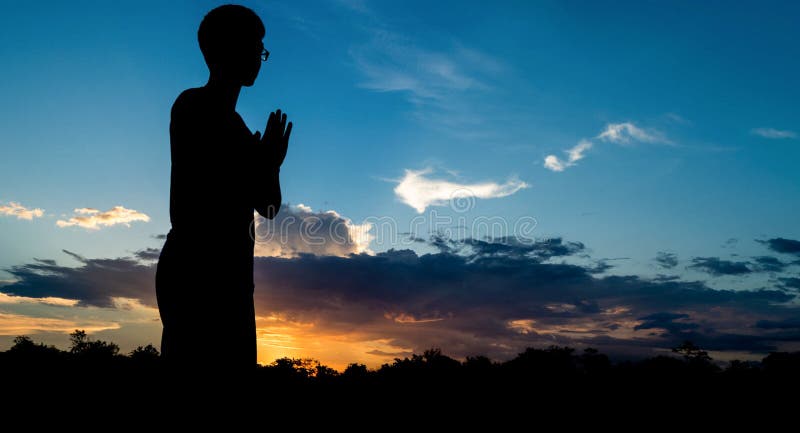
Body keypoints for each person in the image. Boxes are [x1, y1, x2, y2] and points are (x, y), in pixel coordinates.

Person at [155, 4, 292, 371]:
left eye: (260, 50)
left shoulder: (239, 129)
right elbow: (210, 191)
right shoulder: (192, 106)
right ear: (221, 50)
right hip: (196, 273)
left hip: (232, 278)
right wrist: (260, 163)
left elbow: (267, 206)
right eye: (253, 47)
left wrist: (272, 166)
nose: (258, 58)